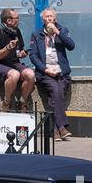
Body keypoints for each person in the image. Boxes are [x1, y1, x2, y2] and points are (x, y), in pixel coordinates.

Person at [29, 8, 75, 140]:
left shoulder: (62, 30)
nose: (49, 18)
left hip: (61, 72)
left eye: (51, 16)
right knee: (55, 90)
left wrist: (57, 32)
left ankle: (55, 130)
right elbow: (33, 56)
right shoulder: (36, 35)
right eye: (47, 16)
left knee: (56, 95)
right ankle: (62, 127)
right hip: (46, 73)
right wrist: (45, 70)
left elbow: (71, 46)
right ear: (42, 19)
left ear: (55, 19)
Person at [0, 8, 36, 111]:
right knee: (15, 75)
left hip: (14, 63)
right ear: (9, 20)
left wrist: (23, 53)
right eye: (17, 18)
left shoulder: (17, 31)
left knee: (30, 75)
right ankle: (6, 102)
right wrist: (8, 48)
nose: (19, 20)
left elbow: (19, 50)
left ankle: (23, 101)